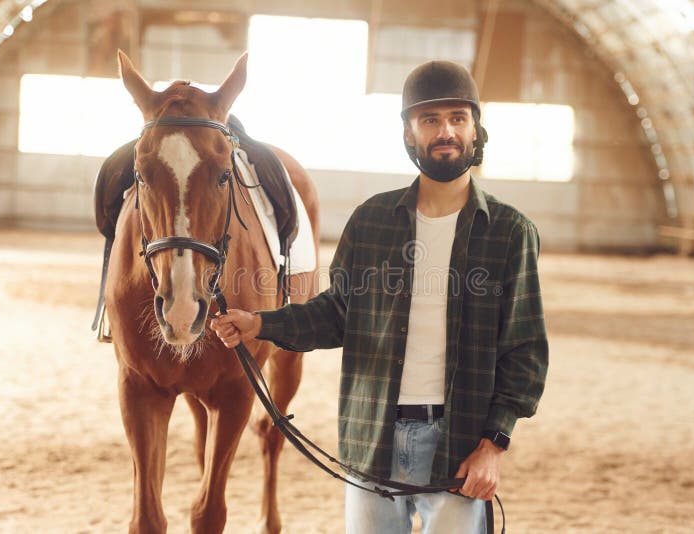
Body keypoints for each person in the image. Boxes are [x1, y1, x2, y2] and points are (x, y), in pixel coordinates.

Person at [210, 60, 548, 533]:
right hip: (371, 437)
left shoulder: (511, 233)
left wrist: (493, 445)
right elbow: (337, 314)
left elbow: (525, 350)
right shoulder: (371, 222)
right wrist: (261, 324)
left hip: (459, 446)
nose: (445, 130)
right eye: (430, 119)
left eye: (457, 118)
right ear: (410, 134)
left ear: (475, 129)